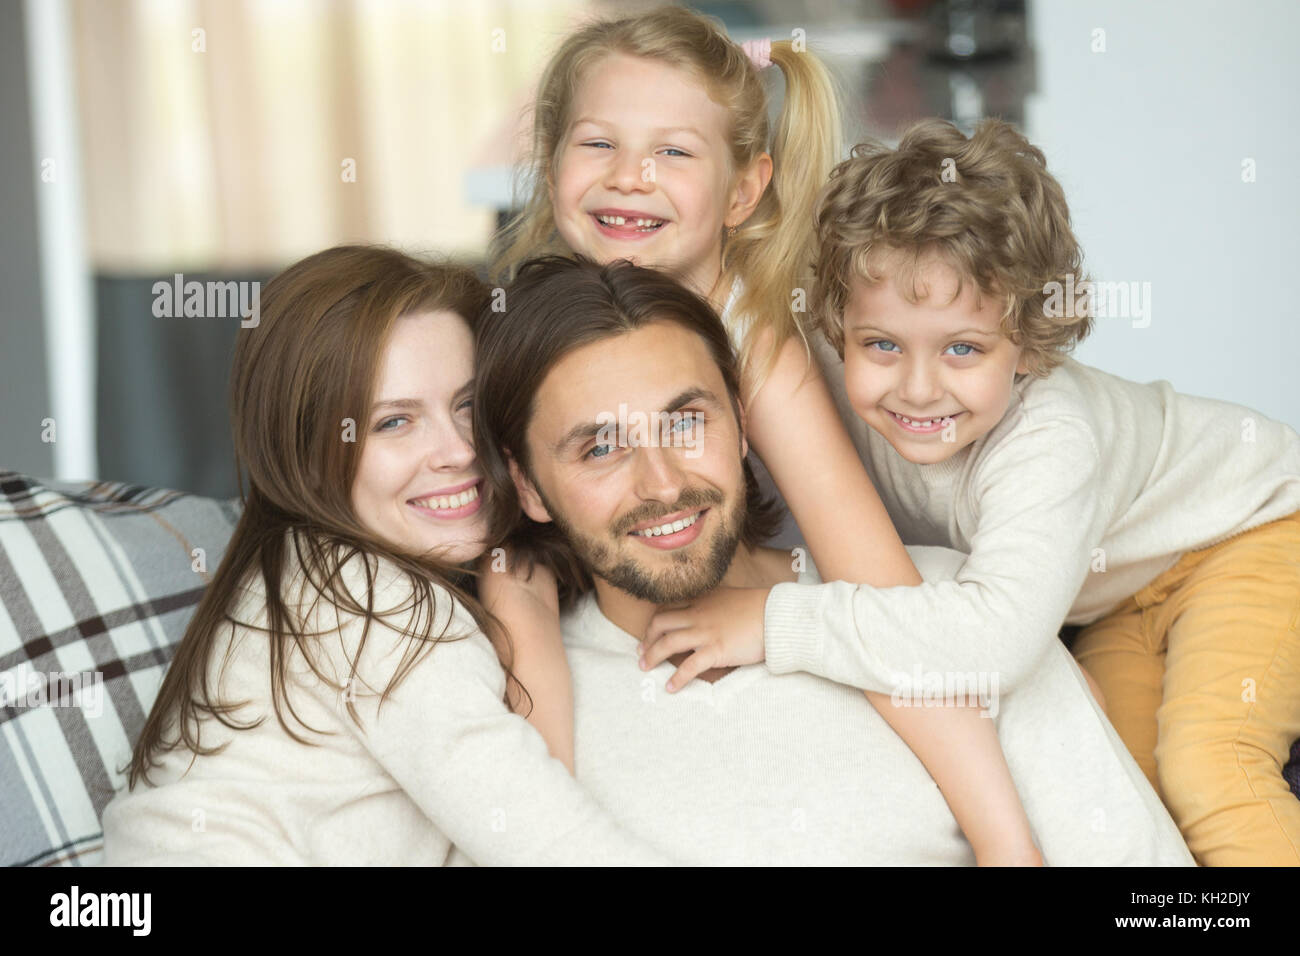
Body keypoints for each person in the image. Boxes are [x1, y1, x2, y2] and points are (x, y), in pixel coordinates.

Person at [653, 118, 1300, 866]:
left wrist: (779, 623)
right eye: (882, 345)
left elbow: (993, 642)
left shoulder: (1053, 438)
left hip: (1253, 537)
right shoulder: (827, 369)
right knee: (1129, 786)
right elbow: (735, 301)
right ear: (836, 329)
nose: (918, 388)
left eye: (963, 348)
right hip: (1121, 595)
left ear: (1028, 340)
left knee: (1209, 764)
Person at [485, 2, 1042, 865]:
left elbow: (891, 608)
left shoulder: (757, 342)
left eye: (673, 152)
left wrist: (1008, 848)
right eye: (598, 144)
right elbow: (512, 564)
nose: (630, 176)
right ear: (549, 159)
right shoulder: (527, 314)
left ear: (744, 191)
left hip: (1040, 550)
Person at [471, 252, 1193, 866]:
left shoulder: (945, 620)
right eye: (601, 447)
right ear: (529, 485)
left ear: (745, 426)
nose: (662, 484)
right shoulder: (518, 721)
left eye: (688, 421)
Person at [101, 244, 672, 866]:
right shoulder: (371, 599)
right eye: (394, 423)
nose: (456, 451)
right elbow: (547, 844)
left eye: (467, 406)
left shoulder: (297, 572)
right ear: (308, 456)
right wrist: (527, 625)